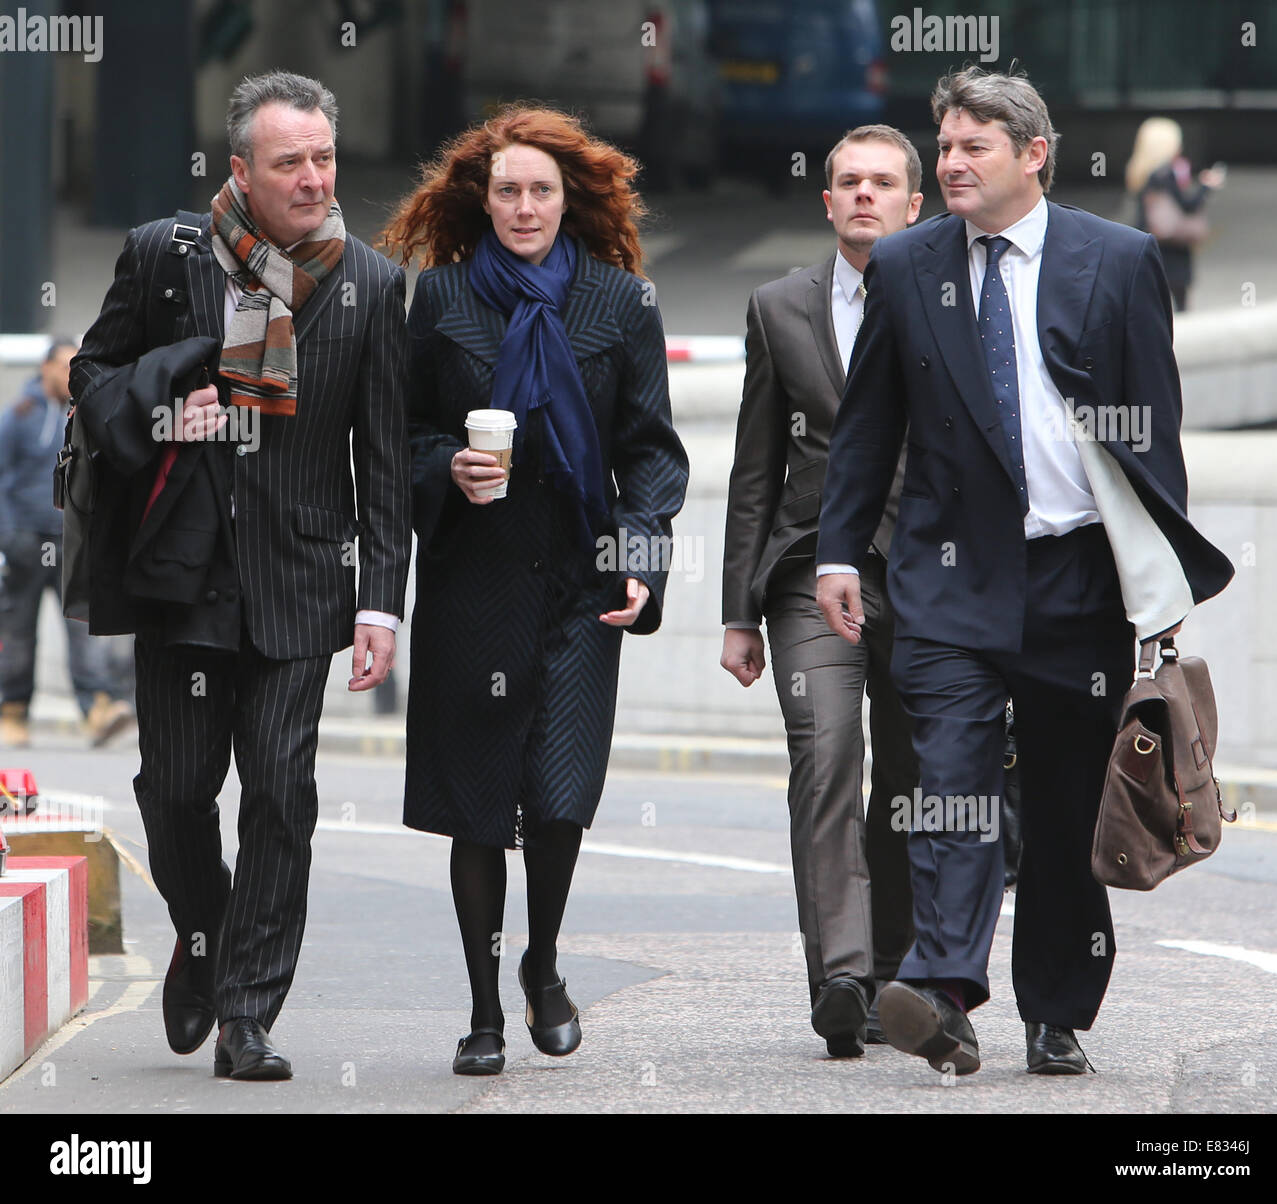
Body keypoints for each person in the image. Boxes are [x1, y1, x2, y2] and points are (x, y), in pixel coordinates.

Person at [817, 67, 1233, 1077]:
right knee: (949, 781)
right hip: (947, 583)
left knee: (1059, 806)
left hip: (1077, 580)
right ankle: (946, 988)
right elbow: (868, 424)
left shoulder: (1119, 260)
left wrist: (1154, 589)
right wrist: (837, 547)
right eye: (945, 146)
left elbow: (1155, 440)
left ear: (1032, 155)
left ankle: (1056, 1009)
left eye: (972, 148)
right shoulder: (910, 266)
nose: (950, 163)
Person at [70, 71, 410, 1080]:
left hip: (302, 578)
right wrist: (178, 387)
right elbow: (93, 378)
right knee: (174, 792)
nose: (312, 179)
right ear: (240, 171)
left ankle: (249, 1012)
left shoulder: (370, 283)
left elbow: (383, 460)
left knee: (281, 792)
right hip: (183, 569)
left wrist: (382, 599)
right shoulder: (165, 257)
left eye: (323, 158)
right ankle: (204, 936)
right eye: (288, 162)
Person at [381, 105, 688, 1077]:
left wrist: (642, 557)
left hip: (582, 583)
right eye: (506, 189)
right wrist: (446, 473)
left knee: (559, 798)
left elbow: (650, 454)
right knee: (478, 803)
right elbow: (402, 438)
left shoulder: (621, 304)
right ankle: (481, 1012)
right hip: (474, 580)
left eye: (540, 190)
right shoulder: (437, 300)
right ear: (484, 197)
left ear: (569, 200)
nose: (522, 206)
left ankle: (542, 963)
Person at [720, 125, 921, 1058]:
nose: (866, 195)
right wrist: (737, 611)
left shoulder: (952, 293)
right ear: (827, 200)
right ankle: (841, 976)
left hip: (930, 575)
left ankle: (891, 968)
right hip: (811, 571)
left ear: (915, 204)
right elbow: (754, 468)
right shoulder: (778, 307)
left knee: (912, 781)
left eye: (884, 182)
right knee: (827, 752)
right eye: (849, 182)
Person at [0, 338, 133, 748]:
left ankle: (97, 708)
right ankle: (13, 712)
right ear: (44, 368)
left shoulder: (83, 415)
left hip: (66, 540)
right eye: (63, 366)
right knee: (19, 631)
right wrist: (6, 536)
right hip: (22, 539)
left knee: (81, 625)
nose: (69, 374)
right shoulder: (18, 417)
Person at [1125, 116, 1224, 311]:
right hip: (1171, 243)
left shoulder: (1139, 171)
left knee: (1150, 299)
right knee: (1180, 300)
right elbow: (1187, 205)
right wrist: (1206, 187)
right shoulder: (1165, 173)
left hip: (1147, 239)